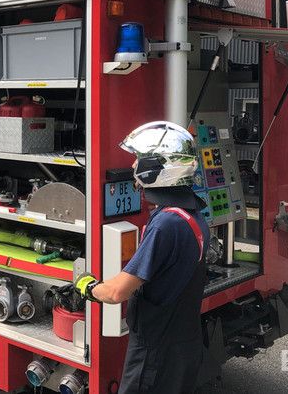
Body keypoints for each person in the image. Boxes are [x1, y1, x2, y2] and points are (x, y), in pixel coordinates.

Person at [73, 121, 210, 393]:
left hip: (155, 353)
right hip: (182, 345)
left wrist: (87, 286)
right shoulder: (192, 215)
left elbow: (116, 293)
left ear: (160, 169)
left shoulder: (166, 224)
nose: (134, 167)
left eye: (140, 160)